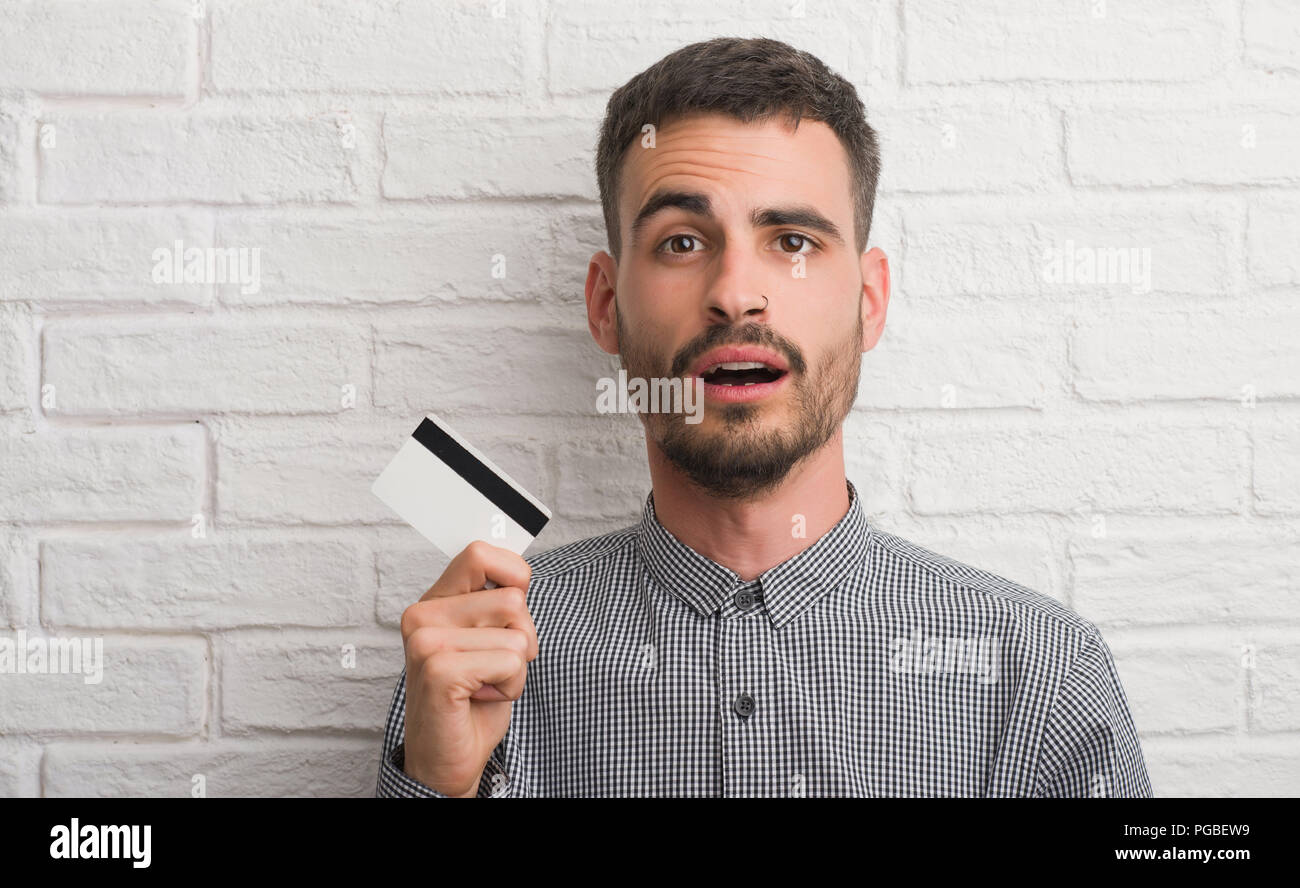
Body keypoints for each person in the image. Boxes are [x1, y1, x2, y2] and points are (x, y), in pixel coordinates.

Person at [377, 36, 1152, 798]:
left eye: (792, 241)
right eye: (682, 241)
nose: (736, 292)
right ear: (608, 307)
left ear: (868, 301)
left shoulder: (1043, 673)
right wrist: (440, 788)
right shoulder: (477, 662)